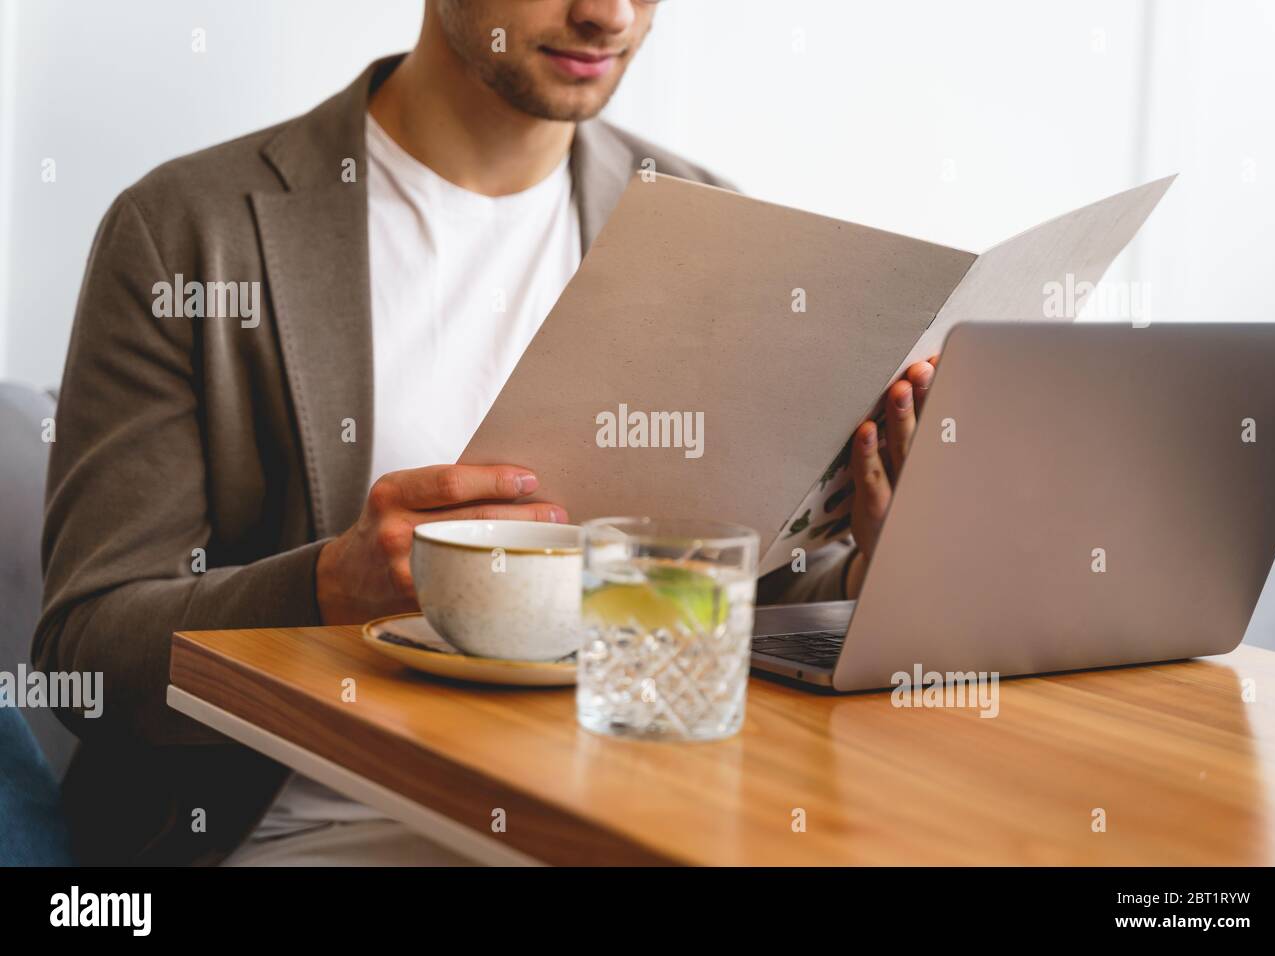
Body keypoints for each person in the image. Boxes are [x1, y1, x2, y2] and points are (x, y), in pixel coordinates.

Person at [35, 0, 936, 865]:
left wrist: (868, 569)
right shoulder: (189, 231)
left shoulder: (713, 225)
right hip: (294, 835)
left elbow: (717, 590)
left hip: (627, 824)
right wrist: (325, 587)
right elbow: (85, 651)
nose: (610, 15)